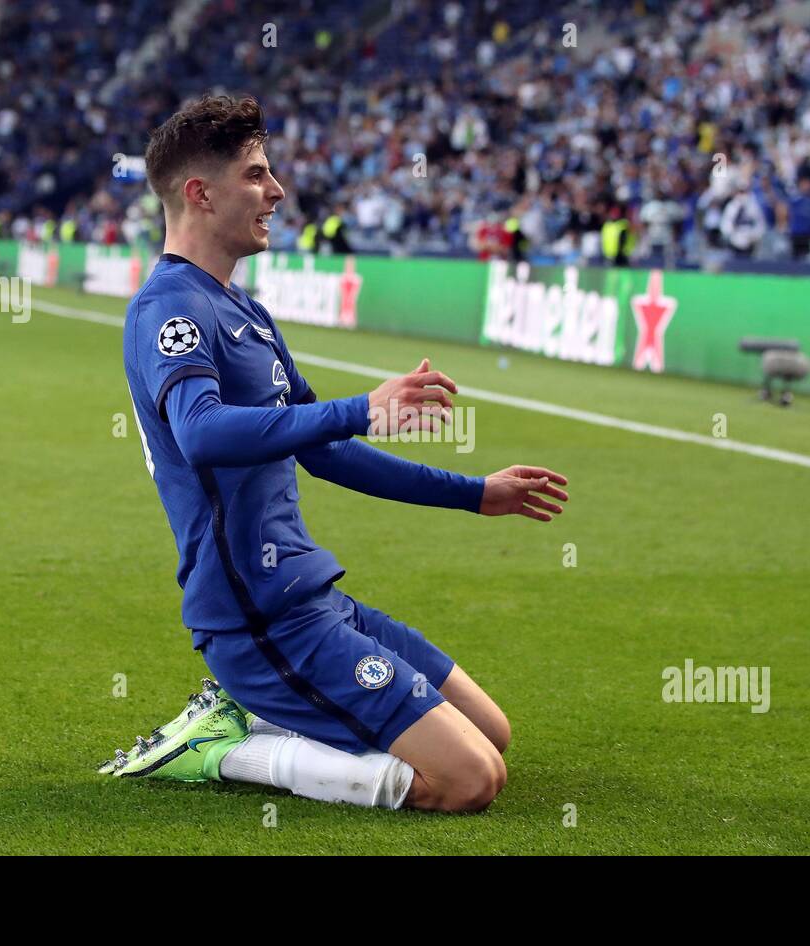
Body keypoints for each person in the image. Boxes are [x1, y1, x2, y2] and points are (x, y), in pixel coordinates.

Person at [106, 95, 569, 812]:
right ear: (200, 193)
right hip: (255, 617)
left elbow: (326, 452)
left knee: (492, 733)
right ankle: (225, 751)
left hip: (313, 597)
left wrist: (475, 493)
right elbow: (199, 432)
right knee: (471, 781)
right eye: (256, 175)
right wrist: (362, 407)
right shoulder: (168, 308)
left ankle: (260, 710)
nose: (278, 191)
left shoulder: (247, 312)